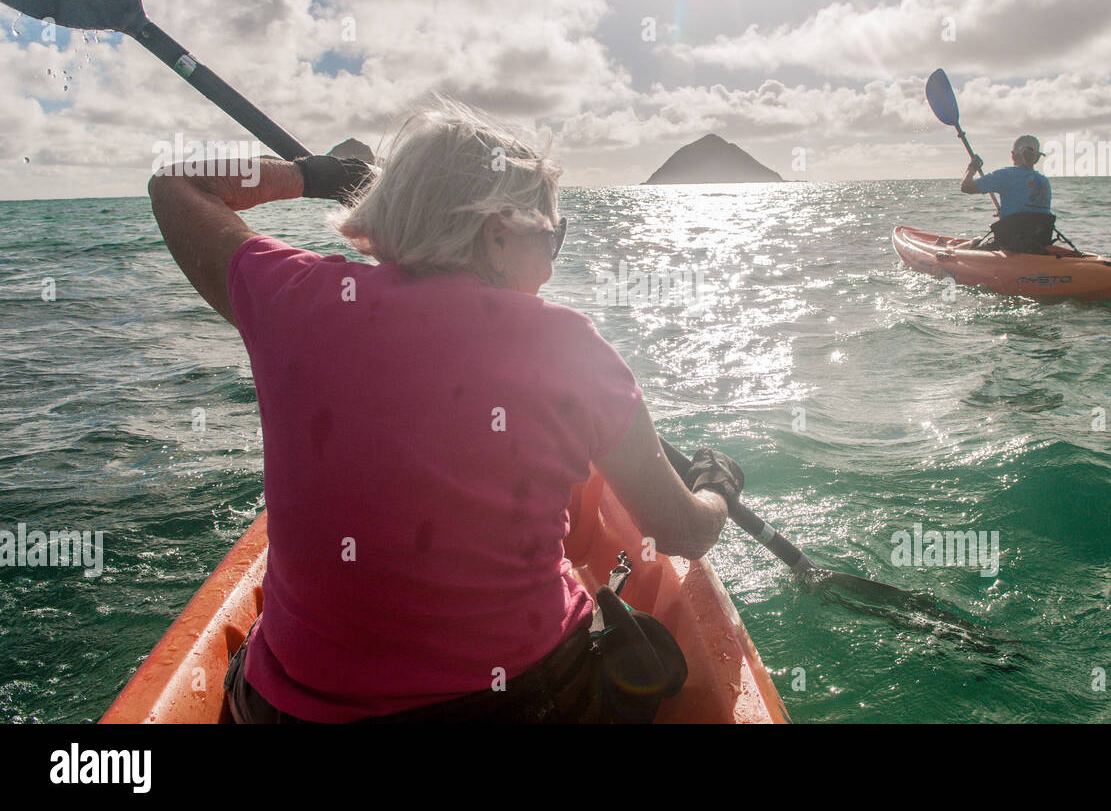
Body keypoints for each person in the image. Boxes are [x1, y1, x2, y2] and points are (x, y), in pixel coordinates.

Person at [147, 99, 745, 723]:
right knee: (641, 654)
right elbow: (680, 532)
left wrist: (311, 175)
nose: (550, 265)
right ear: (496, 235)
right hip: (515, 704)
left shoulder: (294, 298)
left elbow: (177, 183)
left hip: (289, 714)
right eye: (552, 237)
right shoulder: (569, 346)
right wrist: (715, 488)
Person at [960, 135, 1055, 253]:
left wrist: (972, 167)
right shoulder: (1044, 182)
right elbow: (1032, 211)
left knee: (976, 241)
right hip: (1039, 243)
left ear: (1013, 155)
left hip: (1011, 245)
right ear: (1037, 158)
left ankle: (949, 251)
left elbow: (966, 187)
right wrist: (1005, 213)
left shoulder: (1007, 175)